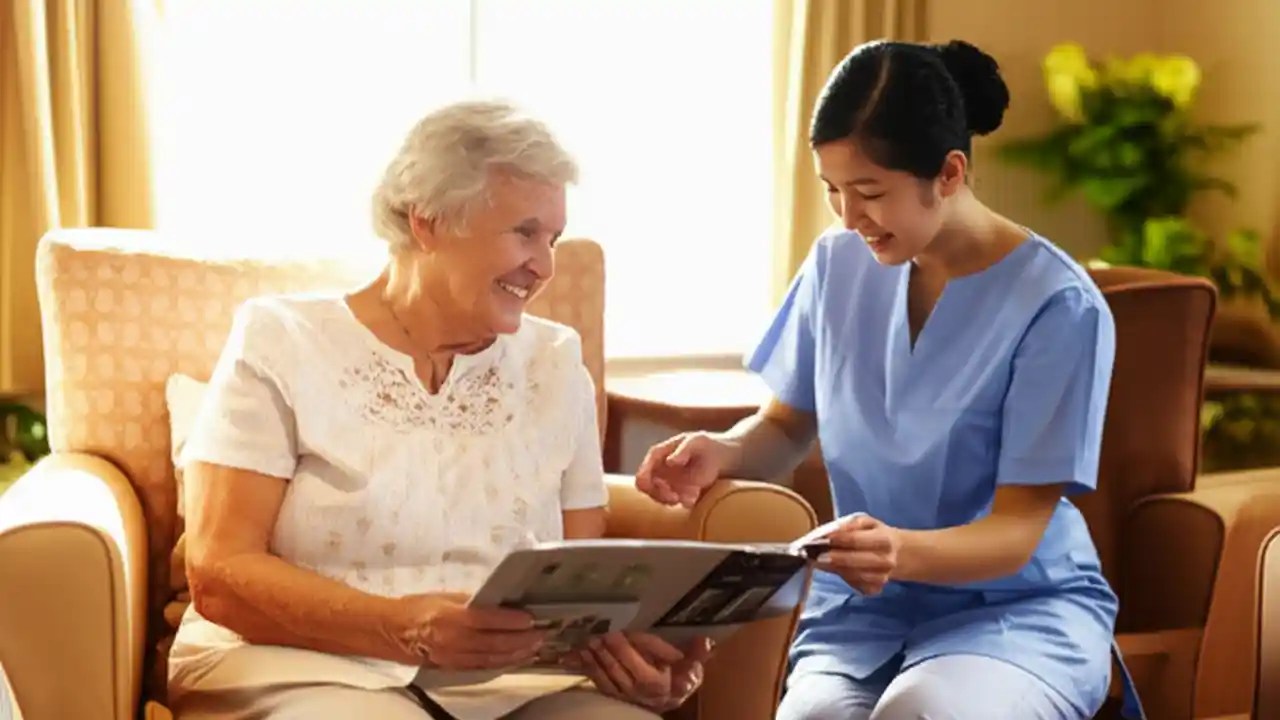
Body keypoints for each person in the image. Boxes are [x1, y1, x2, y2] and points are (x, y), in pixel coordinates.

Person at [635, 40, 1144, 720]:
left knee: (922, 712)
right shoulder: (836, 265)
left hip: (1016, 611)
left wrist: (896, 551)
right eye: (833, 192)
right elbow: (787, 426)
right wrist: (725, 450)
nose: (848, 218)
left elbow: (1018, 529)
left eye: (870, 193)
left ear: (950, 173)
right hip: (865, 617)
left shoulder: (1057, 305)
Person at [167, 99, 710, 720]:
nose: (546, 265)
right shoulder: (282, 340)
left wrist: (645, 659)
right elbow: (218, 568)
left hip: (518, 680)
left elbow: (576, 582)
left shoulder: (556, 361)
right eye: (525, 232)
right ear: (428, 221)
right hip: (303, 664)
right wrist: (402, 625)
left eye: (553, 238)